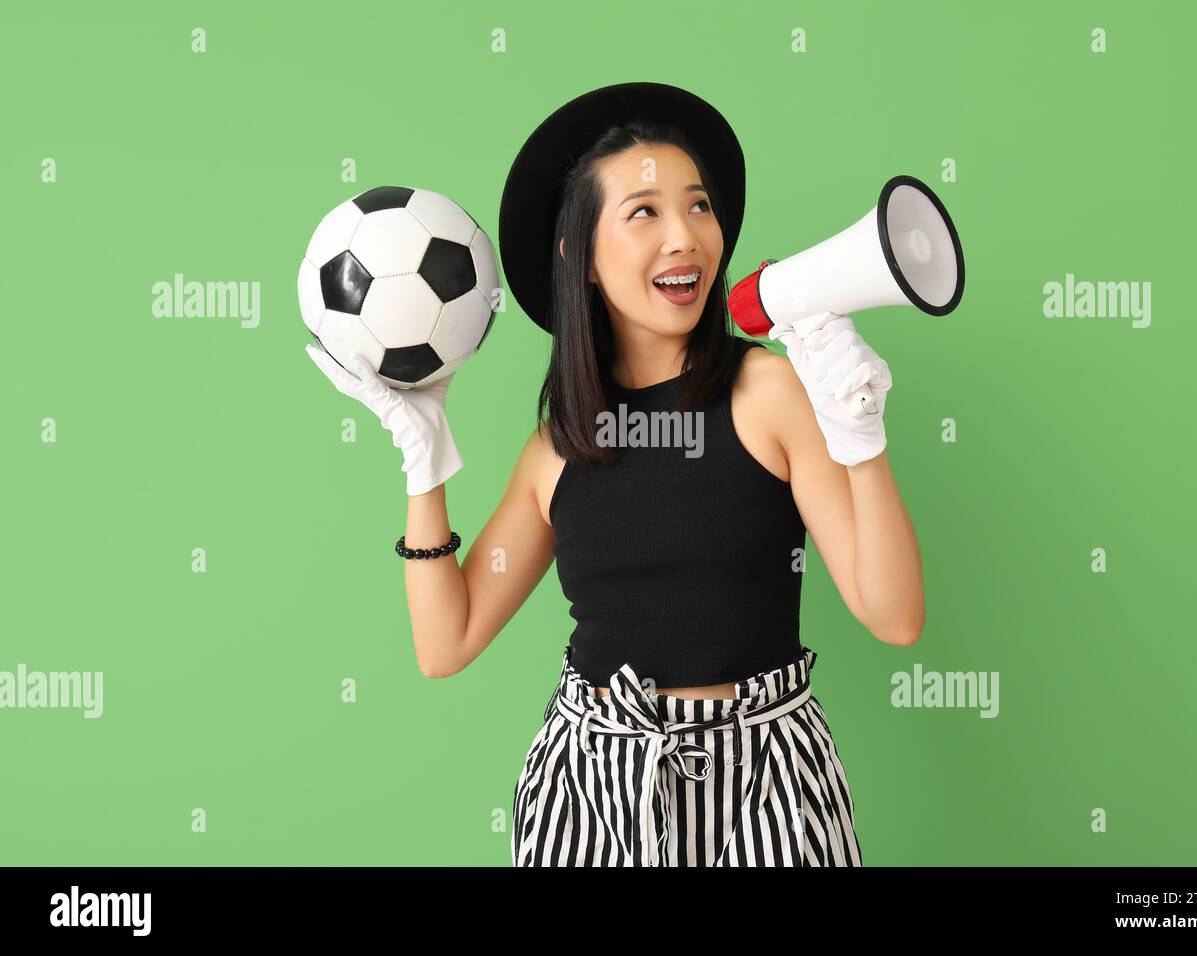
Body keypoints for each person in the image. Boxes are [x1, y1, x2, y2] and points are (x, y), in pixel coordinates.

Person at [307, 82, 925, 866]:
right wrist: (423, 460)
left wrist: (860, 439)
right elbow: (446, 643)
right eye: (644, 212)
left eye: (698, 207)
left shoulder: (767, 391)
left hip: (767, 785)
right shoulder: (555, 450)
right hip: (592, 791)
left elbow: (895, 616)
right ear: (583, 257)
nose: (686, 237)